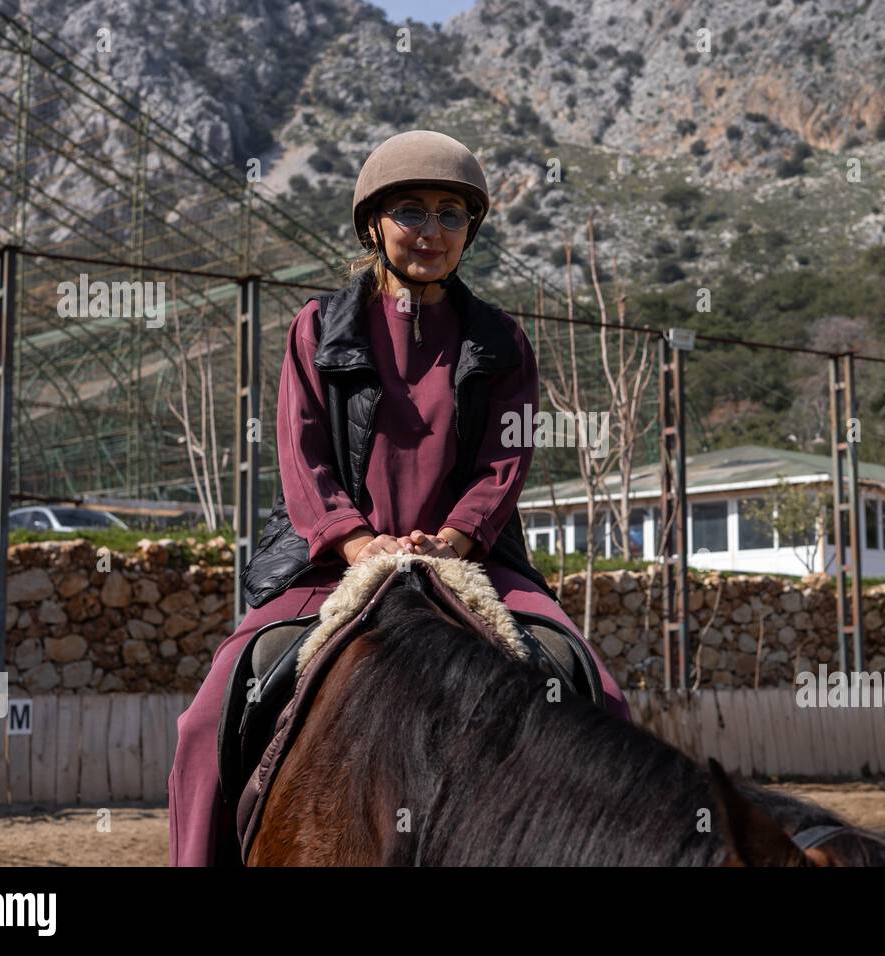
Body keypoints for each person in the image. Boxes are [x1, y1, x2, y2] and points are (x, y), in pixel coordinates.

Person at [168, 129, 632, 866]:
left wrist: (453, 540)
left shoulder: (502, 340)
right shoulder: (318, 329)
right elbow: (303, 453)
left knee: (600, 694)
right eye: (412, 211)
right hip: (332, 563)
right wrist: (359, 543)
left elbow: (504, 460)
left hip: (469, 559)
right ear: (373, 227)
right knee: (205, 721)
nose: (433, 231)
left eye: (453, 215)